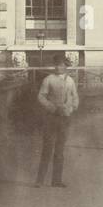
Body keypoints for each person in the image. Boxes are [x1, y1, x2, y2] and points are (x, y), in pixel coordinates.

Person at [34, 56, 79, 188]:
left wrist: (71, 108)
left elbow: (75, 97)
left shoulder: (70, 80)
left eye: (61, 65)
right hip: (51, 117)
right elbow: (41, 96)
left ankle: (56, 180)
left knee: (60, 150)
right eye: (56, 65)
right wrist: (52, 107)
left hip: (64, 118)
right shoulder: (48, 80)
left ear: (66, 66)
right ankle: (39, 180)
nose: (58, 67)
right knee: (47, 148)